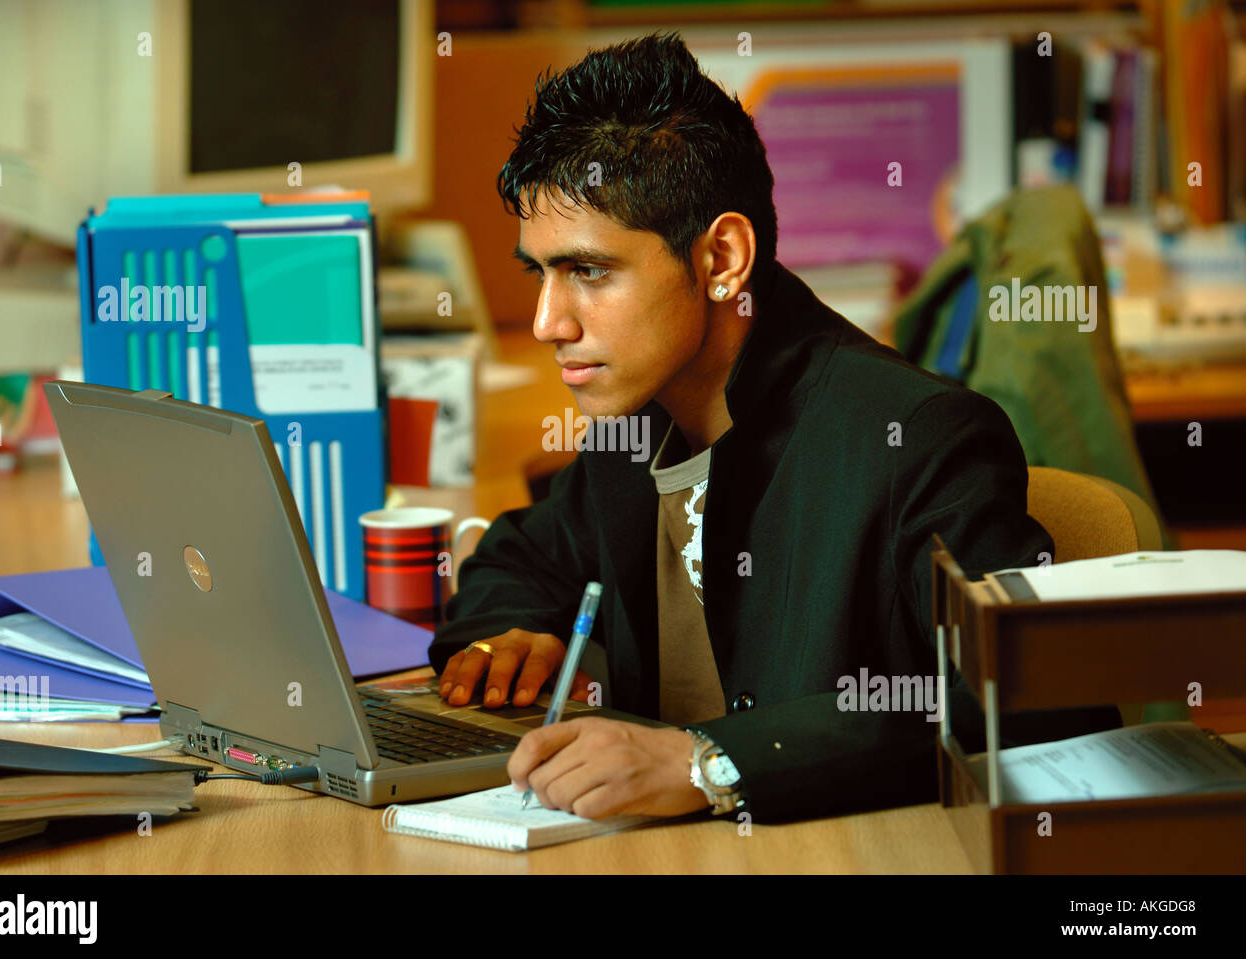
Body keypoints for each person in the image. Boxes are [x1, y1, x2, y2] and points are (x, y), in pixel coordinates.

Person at [427, 31, 1117, 823]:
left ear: (722, 258)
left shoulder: (921, 438)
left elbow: (1028, 700)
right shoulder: (642, 419)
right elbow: (524, 551)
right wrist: (516, 630)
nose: (549, 322)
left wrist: (709, 762)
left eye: (589, 271)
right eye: (539, 272)